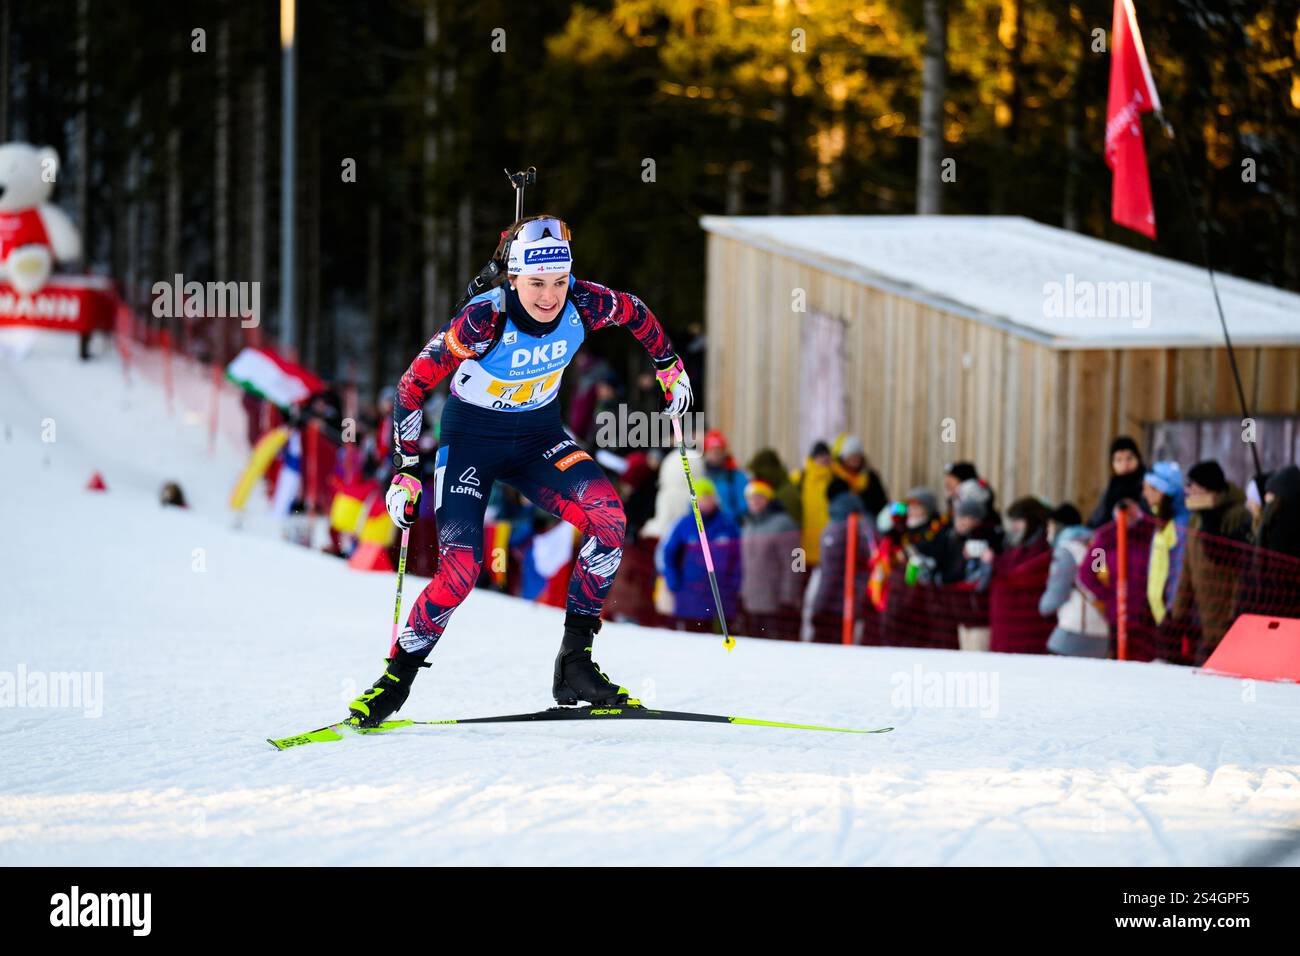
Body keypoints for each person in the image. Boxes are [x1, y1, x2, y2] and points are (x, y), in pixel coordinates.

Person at [348, 215, 694, 727]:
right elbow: (411, 385)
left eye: (558, 281)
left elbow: (636, 311)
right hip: (471, 443)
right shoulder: (482, 320)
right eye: (536, 283)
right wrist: (405, 470)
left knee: (610, 521)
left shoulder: (584, 301)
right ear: (513, 279)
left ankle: (575, 664)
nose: (550, 296)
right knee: (462, 571)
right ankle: (396, 677)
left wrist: (669, 367)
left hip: (537, 438)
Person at [1167, 460, 1252, 662]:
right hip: (1202, 618)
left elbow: (1237, 569)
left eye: (1193, 485)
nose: (1188, 490)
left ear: (1208, 489)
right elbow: (1186, 570)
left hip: (1229, 616)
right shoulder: (1196, 518)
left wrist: (1235, 614)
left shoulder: (1237, 515)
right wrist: (1177, 615)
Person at [661, 477, 741, 631]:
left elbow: (738, 558)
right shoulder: (684, 525)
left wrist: (734, 584)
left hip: (721, 596)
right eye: (702, 497)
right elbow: (669, 555)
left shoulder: (728, 525)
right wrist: (673, 582)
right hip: (689, 597)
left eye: (709, 496)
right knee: (692, 641)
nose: (707, 501)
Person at [1039, 504, 1110, 657]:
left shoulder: (1066, 551)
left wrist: (1043, 605)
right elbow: (1102, 578)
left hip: (1073, 631)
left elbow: (1056, 593)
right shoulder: (1098, 546)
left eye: (1049, 527)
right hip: (1101, 631)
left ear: (1059, 527)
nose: (1048, 533)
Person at [738, 478, 801, 639]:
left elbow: (796, 562)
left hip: (776, 600)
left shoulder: (784, 524)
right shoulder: (748, 525)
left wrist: (789, 596)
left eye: (760, 497)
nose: (756, 502)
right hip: (751, 600)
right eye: (752, 498)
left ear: (768, 499)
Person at [1086, 435, 1149, 528]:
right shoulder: (1112, 486)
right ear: (1112, 464)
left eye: (1129, 458)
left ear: (1138, 458)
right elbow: (1098, 517)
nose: (1125, 464)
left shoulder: (1147, 483)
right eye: (1119, 460)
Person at [793, 440, 835, 566]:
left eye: (826, 457)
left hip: (827, 542)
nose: (823, 460)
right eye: (820, 456)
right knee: (798, 577)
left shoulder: (836, 480)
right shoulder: (800, 478)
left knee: (825, 580)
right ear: (813, 458)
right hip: (800, 543)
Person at [831, 435, 889, 518]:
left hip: (869, 520)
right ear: (844, 459)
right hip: (843, 523)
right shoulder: (838, 479)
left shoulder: (871, 477)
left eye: (857, 456)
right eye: (851, 456)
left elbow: (881, 502)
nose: (855, 459)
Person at [701, 429, 748, 519]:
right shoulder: (701, 476)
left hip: (729, 527)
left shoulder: (735, 476)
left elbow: (744, 506)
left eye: (718, 451)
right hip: (706, 526)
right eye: (711, 450)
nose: (715, 454)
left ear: (724, 452)